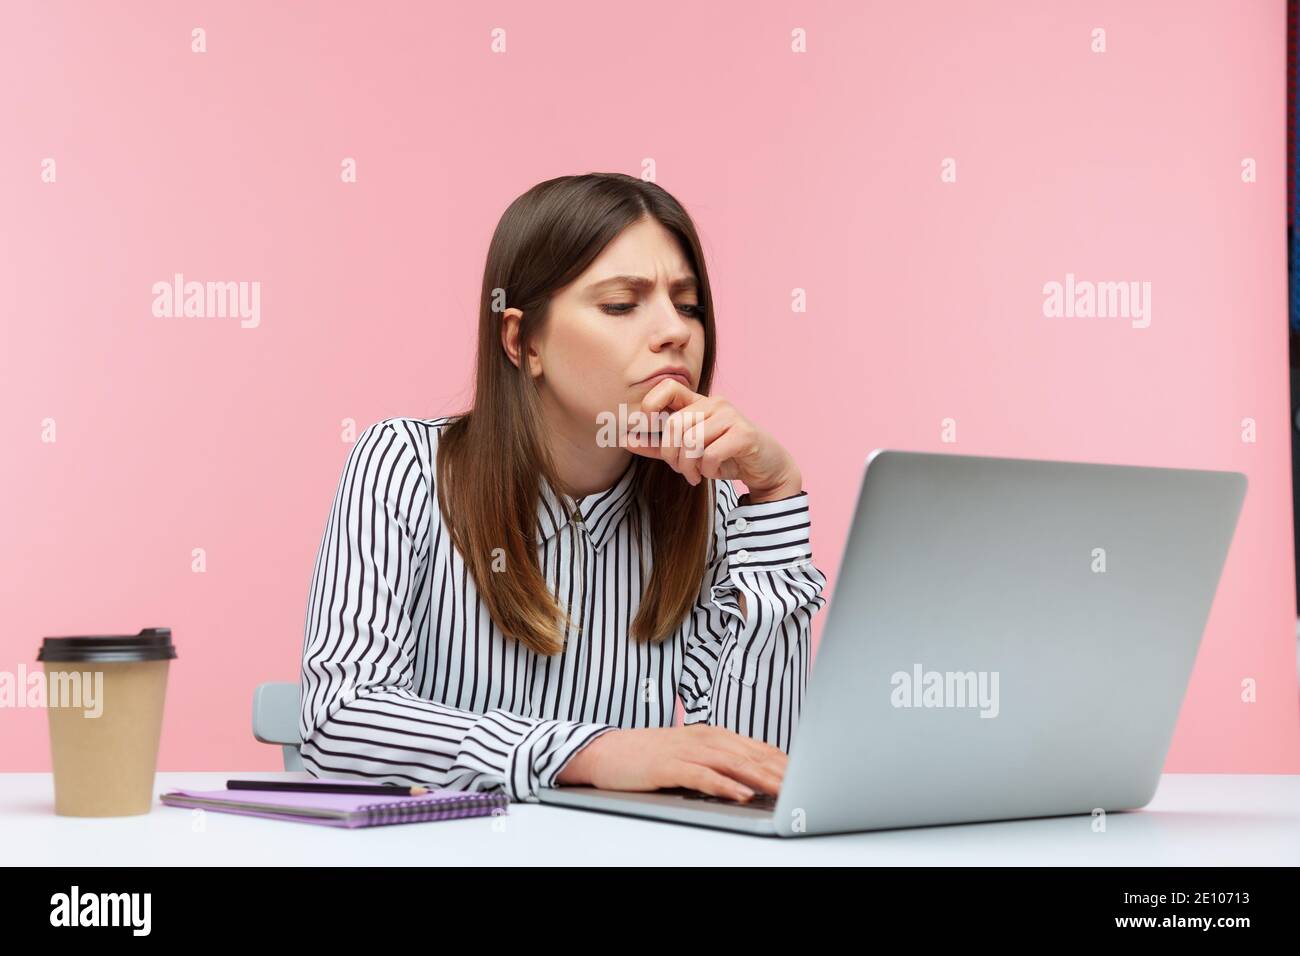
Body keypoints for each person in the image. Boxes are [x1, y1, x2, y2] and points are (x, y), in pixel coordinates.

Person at [299, 172, 828, 804]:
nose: (676, 332)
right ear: (522, 341)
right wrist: (591, 752)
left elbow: (753, 772)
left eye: (688, 305)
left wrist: (774, 501)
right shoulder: (406, 464)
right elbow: (338, 720)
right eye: (621, 304)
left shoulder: (708, 498)